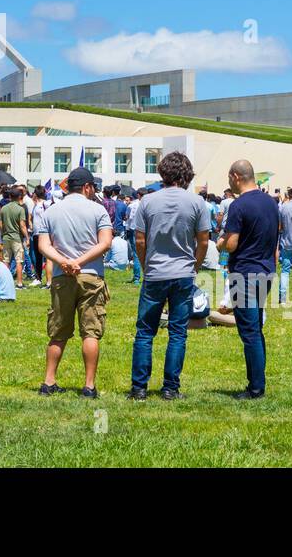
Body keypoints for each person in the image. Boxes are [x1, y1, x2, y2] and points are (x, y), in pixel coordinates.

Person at [128, 151, 211, 400]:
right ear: (187, 175)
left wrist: (145, 265)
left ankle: (139, 388)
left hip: (155, 272)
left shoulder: (148, 202)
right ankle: (170, 388)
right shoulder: (197, 203)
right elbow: (204, 241)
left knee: (145, 331)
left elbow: (139, 241)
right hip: (183, 272)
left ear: (162, 173)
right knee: (178, 332)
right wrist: (194, 267)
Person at [35, 167, 113, 399]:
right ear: (87, 187)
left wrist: (65, 262)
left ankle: (49, 381)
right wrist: (79, 261)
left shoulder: (51, 212)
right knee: (90, 332)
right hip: (91, 275)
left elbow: (43, 246)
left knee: (58, 331)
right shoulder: (98, 210)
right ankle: (88, 386)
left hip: (61, 276)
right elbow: (105, 243)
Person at [217, 159, 278, 400]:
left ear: (235, 176)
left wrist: (220, 242)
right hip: (266, 269)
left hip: (244, 273)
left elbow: (231, 244)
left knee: (249, 331)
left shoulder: (238, 205)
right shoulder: (271, 203)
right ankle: (258, 381)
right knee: (256, 329)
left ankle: (255, 387)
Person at [0, 187, 29, 287]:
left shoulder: (3, 208)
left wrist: (4, 233)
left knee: (6, 261)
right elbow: (22, 226)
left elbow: (0, 224)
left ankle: (5, 282)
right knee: (19, 261)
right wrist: (27, 238)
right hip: (17, 238)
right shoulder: (20, 209)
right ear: (19, 197)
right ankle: (19, 283)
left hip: (6, 237)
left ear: (10, 196)